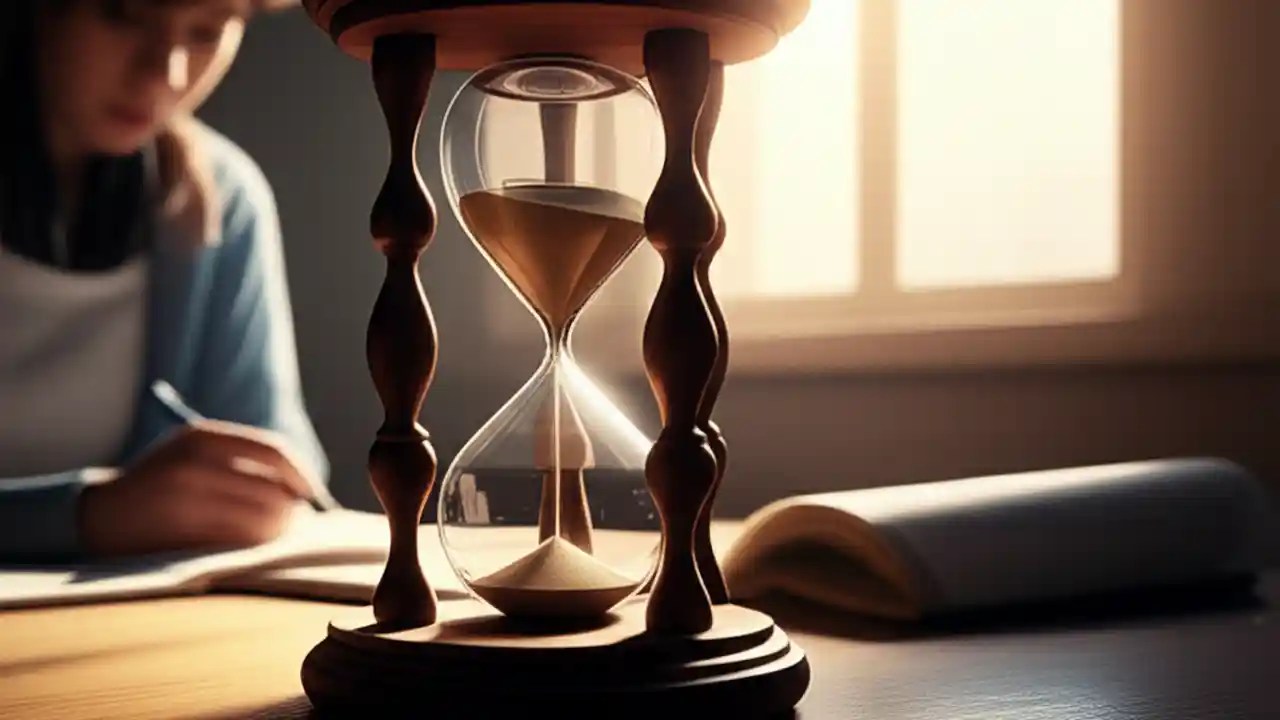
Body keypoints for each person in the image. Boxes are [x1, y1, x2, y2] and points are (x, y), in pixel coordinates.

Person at [0, 0, 328, 560]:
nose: (166, 73)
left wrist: (259, 489)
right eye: (123, 16)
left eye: (206, 31)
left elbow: (270, 456)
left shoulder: (221, 200)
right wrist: (88, 515)